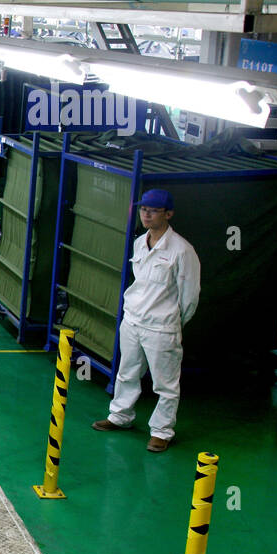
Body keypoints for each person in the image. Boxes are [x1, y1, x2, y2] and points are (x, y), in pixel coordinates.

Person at [91, 189, 200, 452]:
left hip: (161, 328)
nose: (146, 214)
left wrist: (171, 322)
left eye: (153, 210)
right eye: (143, 209)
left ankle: (162, 431)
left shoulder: (182, 251)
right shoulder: (140, 242)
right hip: (133, 321)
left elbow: (189, 297)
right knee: (127, 372)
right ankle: (120, 415)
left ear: (168, 214)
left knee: (165, 383)